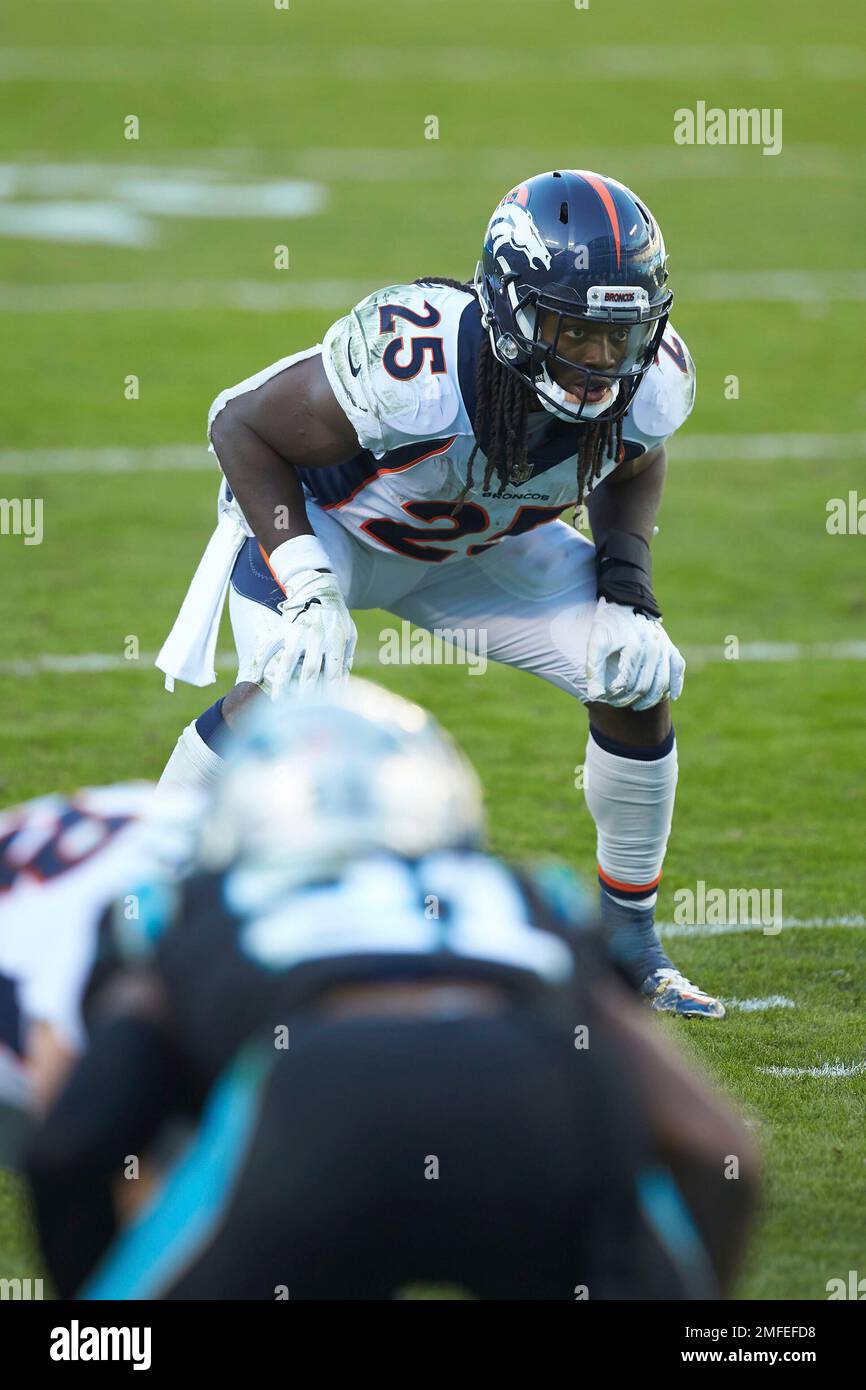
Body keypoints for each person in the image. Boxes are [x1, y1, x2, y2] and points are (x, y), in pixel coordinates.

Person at [156, 168, 720, 1018]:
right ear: (510, 308)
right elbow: (239, 423)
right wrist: (307, 583)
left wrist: (629, 590)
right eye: (575, 329)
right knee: (288, 696)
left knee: (632, 673)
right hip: (335, 528)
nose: (602, 359)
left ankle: (628, 943)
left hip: (477, 548)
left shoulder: (651, 378)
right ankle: (142, 892)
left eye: (620, 333)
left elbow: (633, 458)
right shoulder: (412, 361)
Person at [27, 682, 756, 1299]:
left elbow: (76, 1143)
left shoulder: (176, 907)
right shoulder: (536, 898)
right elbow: (718, 1148)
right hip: (544, 1099)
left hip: (318, 1107)